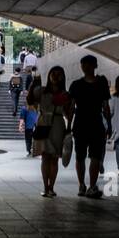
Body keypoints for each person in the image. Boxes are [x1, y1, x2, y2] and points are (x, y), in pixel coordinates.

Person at [69, 55, 111, 198]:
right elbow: (71, 106)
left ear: (94, 66)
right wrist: (68, 125)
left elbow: (106, 105)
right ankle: (82, 185)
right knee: (80, 156)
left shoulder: (101, 83)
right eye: (83, 64)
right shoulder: (76, 85)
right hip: (81, 123)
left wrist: (109, 125)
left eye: (87, 64)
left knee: (95, 156)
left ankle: (91, 186)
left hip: (96, 123)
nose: (85, 66)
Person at [34, 66, 72, 197]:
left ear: (63, 77)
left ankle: (50, 187)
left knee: (54, 157)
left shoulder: (65, 95)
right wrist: (34, 81)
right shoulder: (42, 91)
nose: (55, 76)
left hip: (56, 124)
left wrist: (69, 128)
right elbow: (30, 99)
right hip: (45, 122)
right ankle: (46, 187)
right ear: (49, 75)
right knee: (45, 157)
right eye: (53, 73)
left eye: (58, 74)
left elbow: (69, 113)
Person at [21, 75, 41, 157]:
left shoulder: (30, 99)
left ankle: (31, 150)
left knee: (30, 138)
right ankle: (31, 150)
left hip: (34, 123)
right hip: (34, 122)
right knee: (30, 138)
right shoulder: (29, 101)